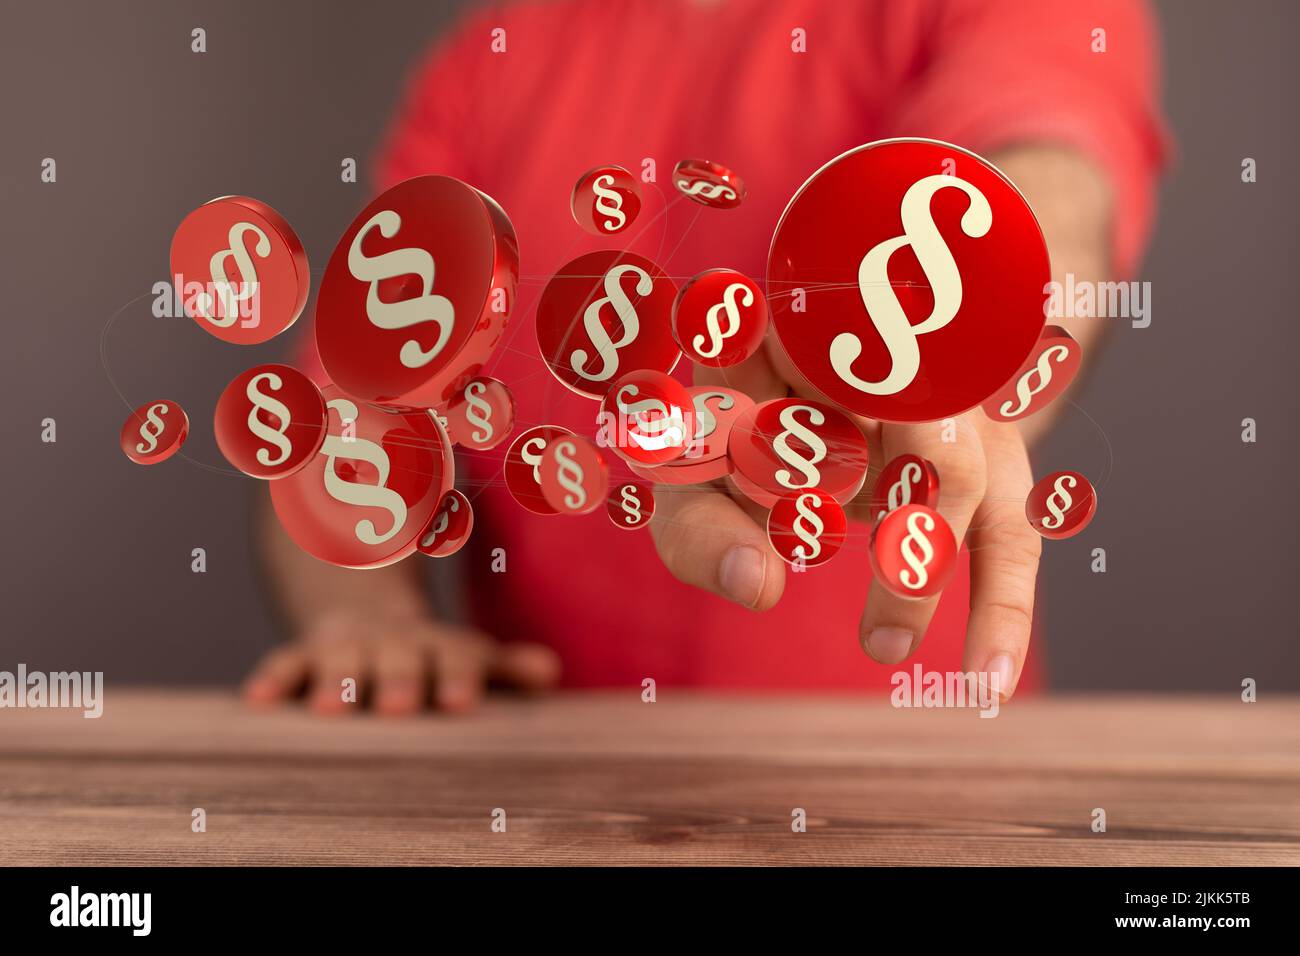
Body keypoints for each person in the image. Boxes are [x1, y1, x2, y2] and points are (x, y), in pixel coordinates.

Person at [245, 0, 1167, 715]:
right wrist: (365, 618)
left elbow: (1047, 182)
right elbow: (343, 412)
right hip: (555, 806)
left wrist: (947, 365)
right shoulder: (491, 58)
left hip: (926, 803)